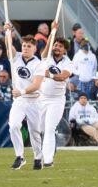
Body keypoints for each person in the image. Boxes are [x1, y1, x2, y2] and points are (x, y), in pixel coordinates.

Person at [4, 22, 44, 170]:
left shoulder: (38, 64)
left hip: (33, 100)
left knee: (34, 131)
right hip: (19, 100)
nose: (26, 48)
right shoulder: (16, 58)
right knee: (13, 125)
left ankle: (38, 157)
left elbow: (36, 85)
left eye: (29, 46)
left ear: (35, 48)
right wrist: (8, 32)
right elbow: (10, 48)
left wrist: (22, 91)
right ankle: (19, 156)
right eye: (24, 45)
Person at [38, 23, 74, 169]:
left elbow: (62, 77)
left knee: (50, 128)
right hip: (41, 98)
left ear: (64, 50)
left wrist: (49, 74)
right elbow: (44, 54)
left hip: (56, 100)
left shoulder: (69, 63)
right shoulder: (47, 57)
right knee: (39, 129)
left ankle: (48, 160)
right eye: (55, 45)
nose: (56, 47)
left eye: (60, 46)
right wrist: (52, 31)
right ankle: (49, 151)